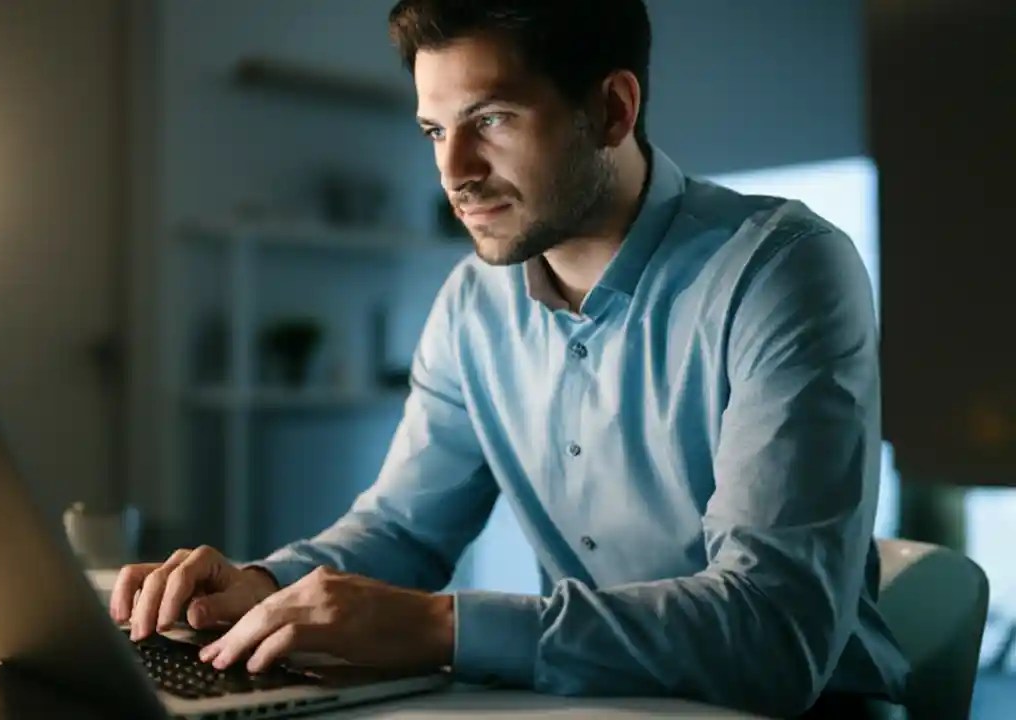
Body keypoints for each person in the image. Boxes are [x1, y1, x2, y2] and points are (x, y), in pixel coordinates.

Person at [111, 1, 910, 716]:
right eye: (434, 130)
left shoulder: (781, 269)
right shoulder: (472, 303)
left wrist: (440, 626)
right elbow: (401, 528)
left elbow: (774, 637)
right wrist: (265, 585)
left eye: (489, 119)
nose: (453, 171)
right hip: (595, 703)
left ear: (611, 110)